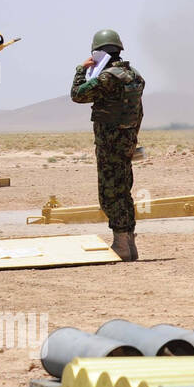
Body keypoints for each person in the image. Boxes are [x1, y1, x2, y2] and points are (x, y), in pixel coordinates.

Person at [70, 29, 145, 261]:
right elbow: (138, 112)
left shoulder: (107, 78)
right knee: (124, 192)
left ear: (100, 52)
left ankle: (121, 244)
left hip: (110, 145)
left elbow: (77, 95)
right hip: (126, 144)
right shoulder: (134, 75)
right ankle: (129, 244)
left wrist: (81, 70)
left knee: (110, 194)